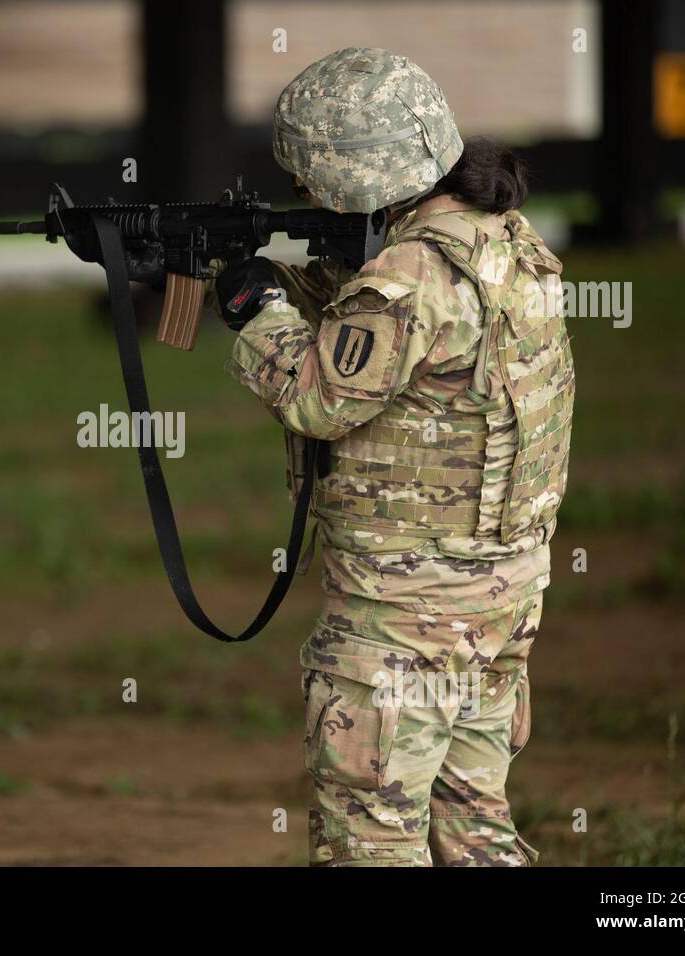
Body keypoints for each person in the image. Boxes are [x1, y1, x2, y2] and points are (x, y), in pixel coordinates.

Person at [214, 48, 574, 866]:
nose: (302, 198)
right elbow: (396, 348)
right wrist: (293, 286)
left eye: (308, 181)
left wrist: (255, 309)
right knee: (475, 833)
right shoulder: (498, 239)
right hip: (495, 600)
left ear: (348, 178)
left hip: (403, 617)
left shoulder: (410, 275)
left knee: (370, 842)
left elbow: (317, 394)